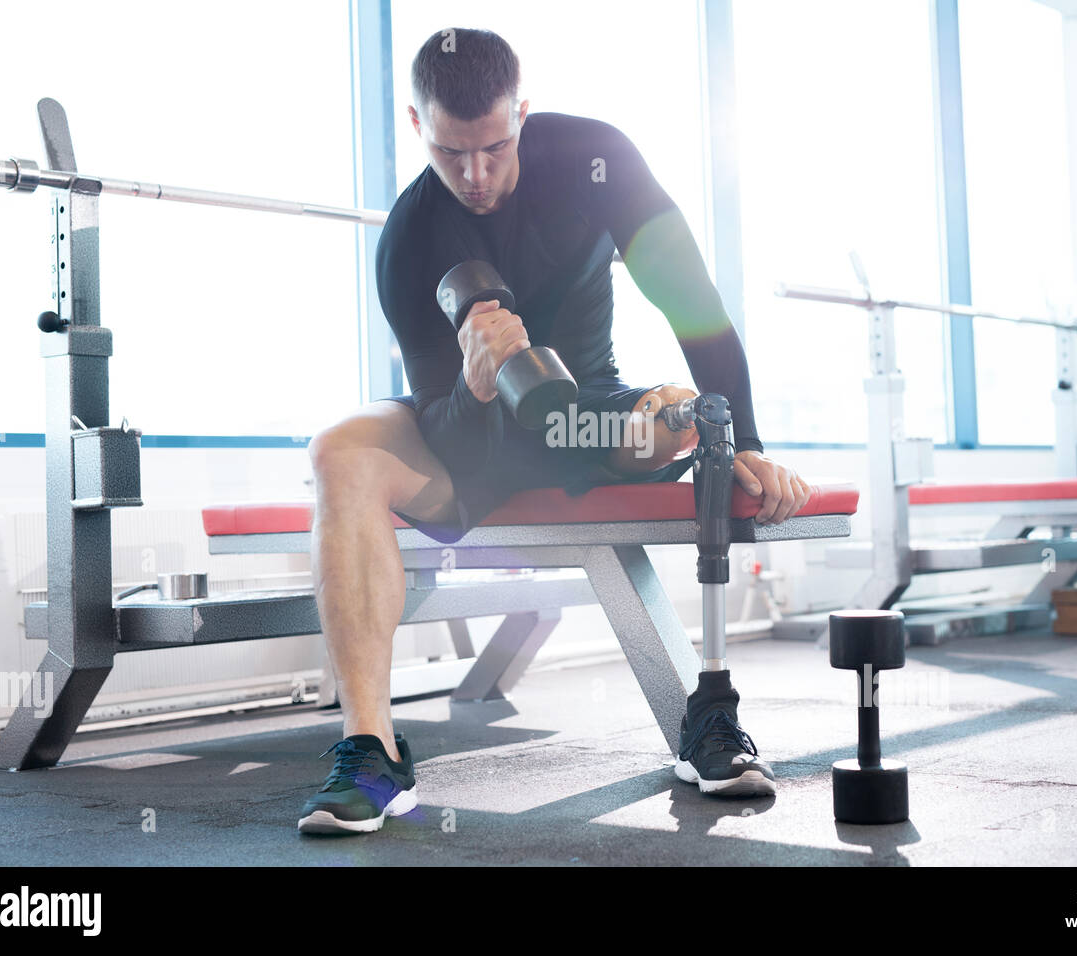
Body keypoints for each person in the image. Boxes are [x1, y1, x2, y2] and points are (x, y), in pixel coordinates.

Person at [297, 27, 811, 835]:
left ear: (522, 115)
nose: (474, 175)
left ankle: (709, 718)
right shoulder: (410, 242)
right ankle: (370, 751)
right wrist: (474, 385)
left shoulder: (596, 159)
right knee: (338, 452)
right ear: (414, 124)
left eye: (495, 148)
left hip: (591, 414)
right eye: (449, 152)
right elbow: (455, 445)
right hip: (467, 433)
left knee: (684, 416)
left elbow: (693, 302)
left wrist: (741, 437)